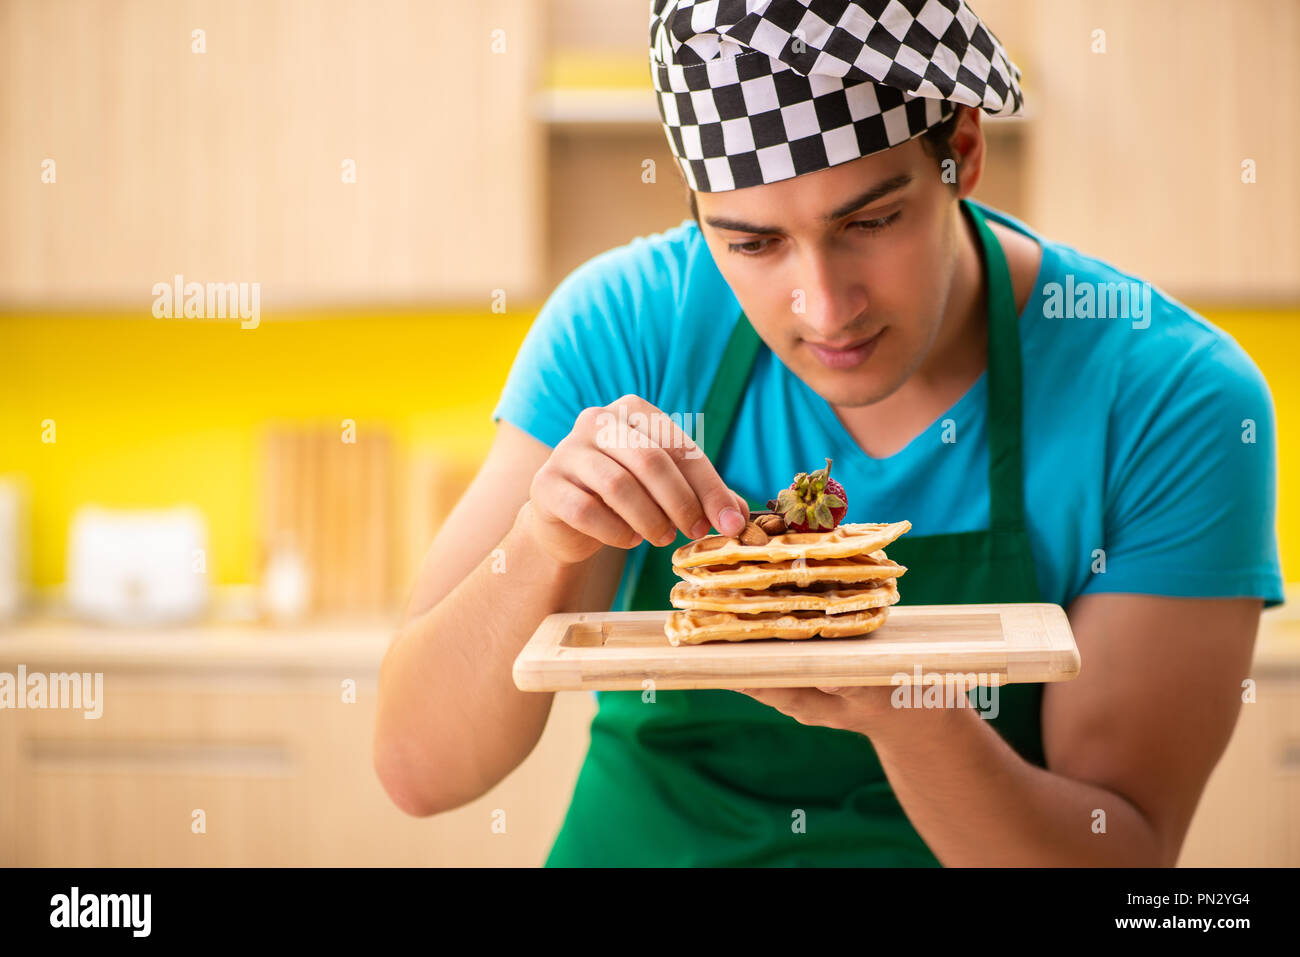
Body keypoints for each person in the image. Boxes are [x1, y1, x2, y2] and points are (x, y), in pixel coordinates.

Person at [374, 0, 1284, 866]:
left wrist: (909, 708)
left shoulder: (1173, 401)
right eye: (752, 244)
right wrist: (543, 544)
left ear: (961, 153)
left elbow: (1120, 858)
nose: (825, 309)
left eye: (871, 220)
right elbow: (417, 770)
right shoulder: (623, 327)